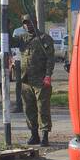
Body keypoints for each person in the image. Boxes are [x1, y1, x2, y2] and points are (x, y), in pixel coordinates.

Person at [19, 15, 54, 146]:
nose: (28, 25)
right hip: (26, 80)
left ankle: (45, 135)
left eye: (30, 23)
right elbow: (9, 41)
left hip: (40, 79)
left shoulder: (44, 38)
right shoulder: (22, 39)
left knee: (42, 108)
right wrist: (6, 26)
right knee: (29, 108)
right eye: (25, 23)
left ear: (35, 23)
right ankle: (34, 135)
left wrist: (48, 75)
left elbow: (50, 59)